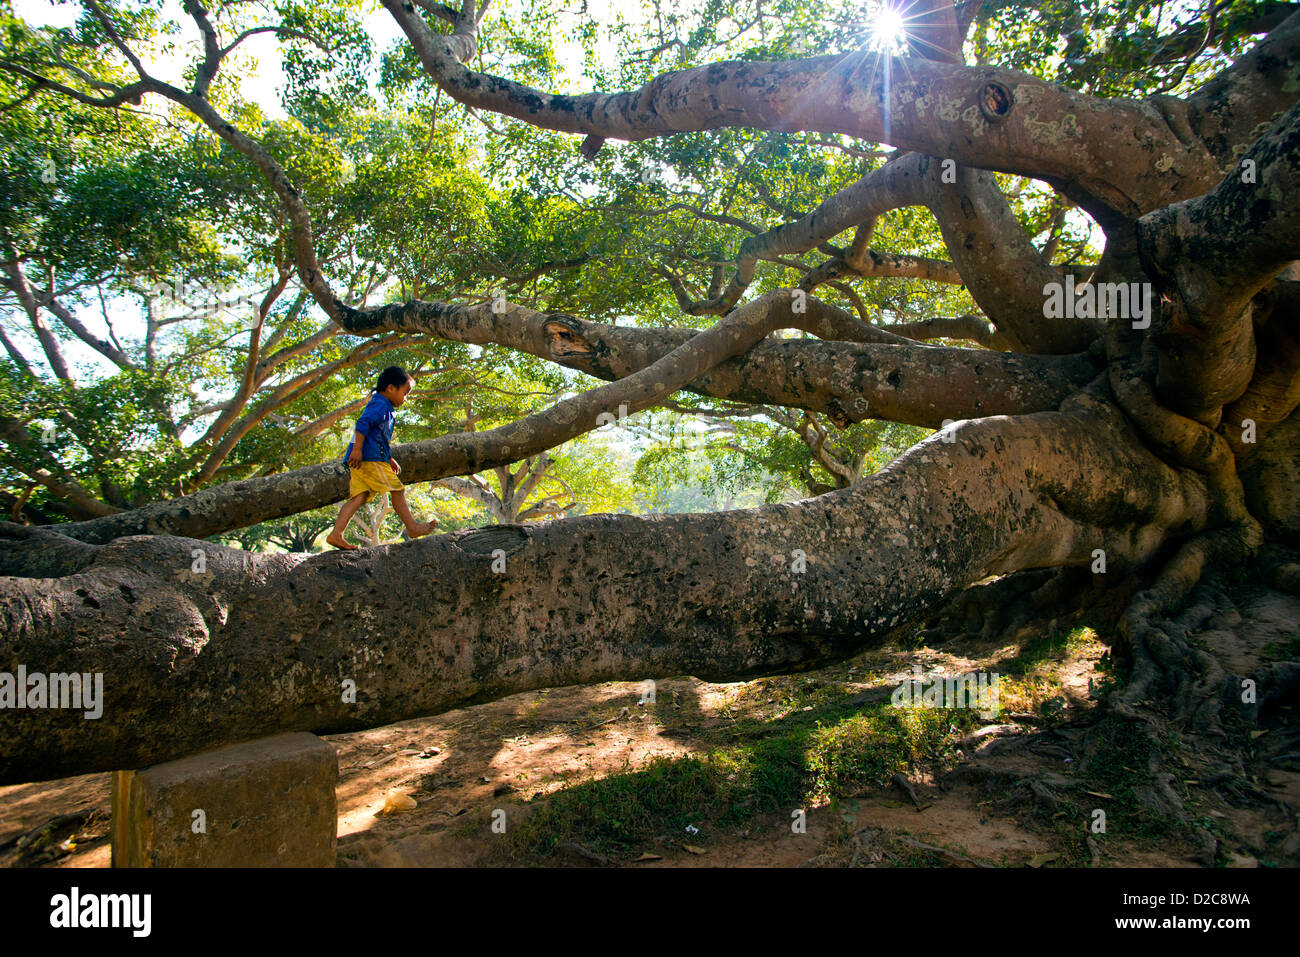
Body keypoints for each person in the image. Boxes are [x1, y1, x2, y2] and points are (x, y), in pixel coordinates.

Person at [326, 366, 438, 550]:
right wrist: (358, 450)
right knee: (397, 490)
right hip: (369, 459)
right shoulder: (380, 405)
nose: (405, 398)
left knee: (359, 496)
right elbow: (362, 424)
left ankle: (336, 534)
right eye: (405, 392)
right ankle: (412, 527)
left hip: (367, 458)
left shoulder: (381, 404)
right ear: (391, 388)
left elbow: (378, 438)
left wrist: (389, 458)